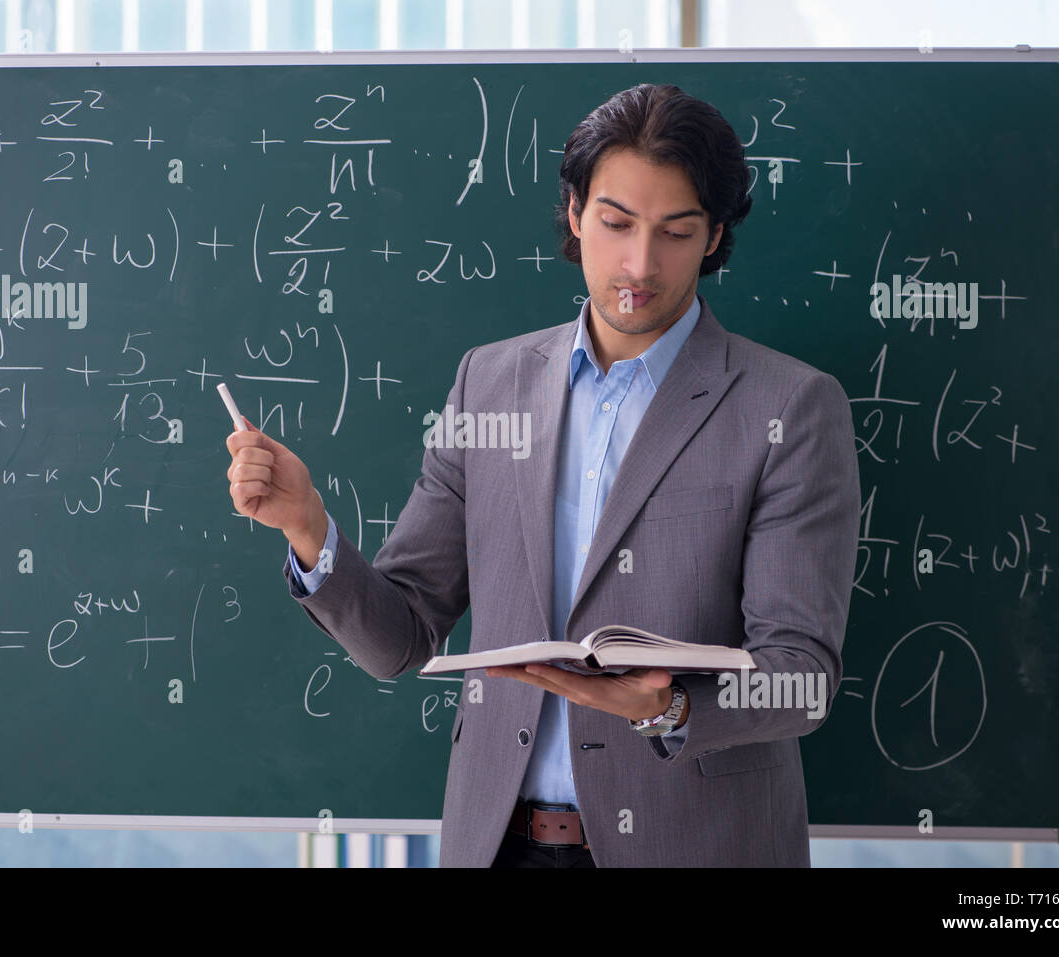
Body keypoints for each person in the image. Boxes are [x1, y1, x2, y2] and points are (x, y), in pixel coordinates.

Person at [225, 83, 860, 867]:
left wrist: (669, 706)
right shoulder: (485, 385)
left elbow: (802, 676)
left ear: (714, 235)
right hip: (499, 844)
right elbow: (402, 638)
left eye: (675, 232)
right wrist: (308, 526)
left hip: (696, 844)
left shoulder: (790, 406)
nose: (638, 263)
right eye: (615, 223)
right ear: (575, 213)